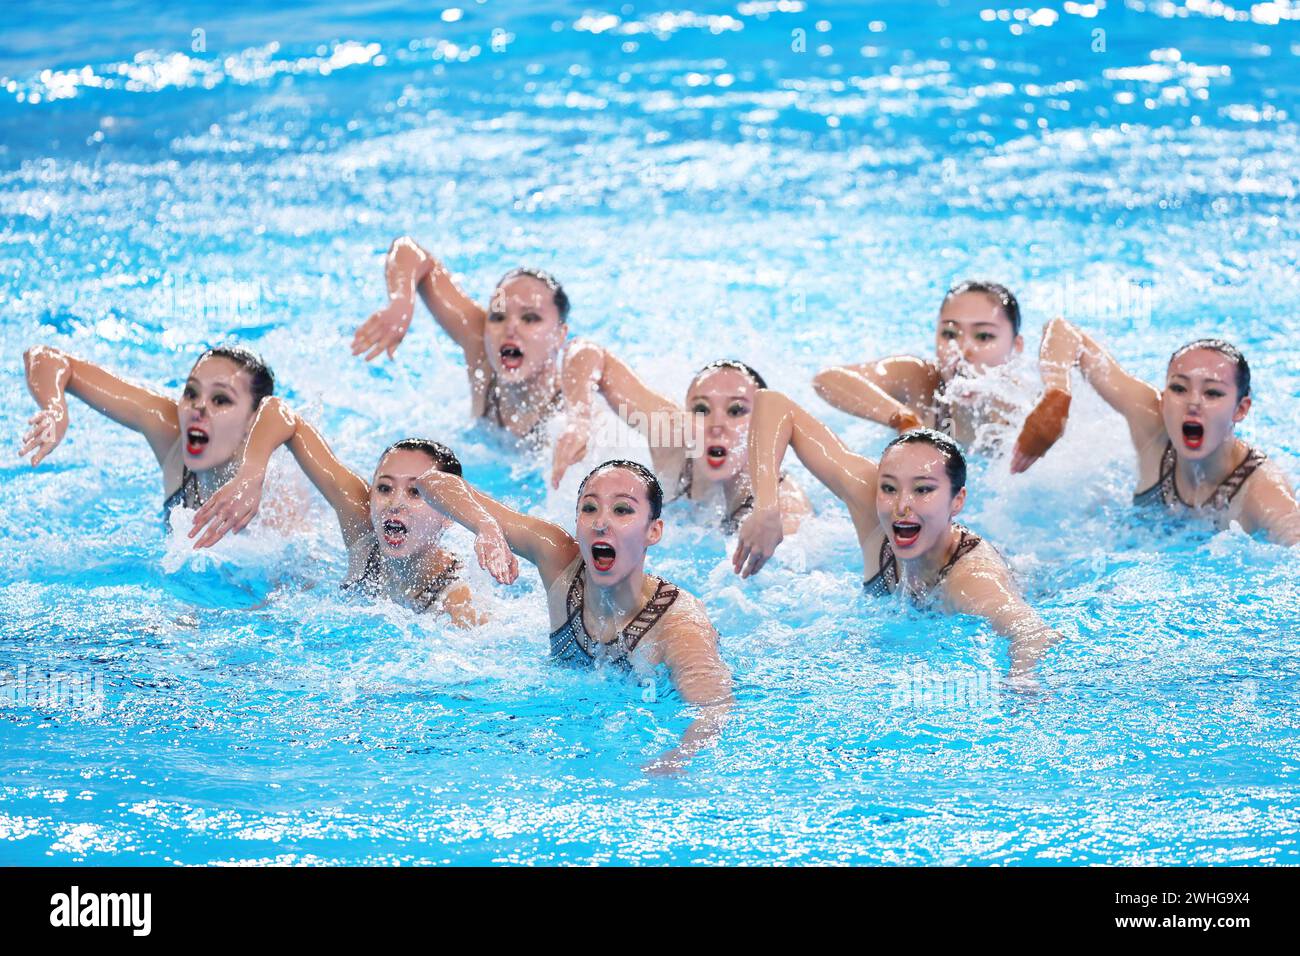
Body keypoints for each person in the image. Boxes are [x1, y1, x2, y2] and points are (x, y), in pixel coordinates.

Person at [412, 458, 733, 771]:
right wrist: (487, 525)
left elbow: (713, 709)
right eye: (590, 508)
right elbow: (432, 482)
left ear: (653, 531)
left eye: (622, 510)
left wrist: (677, 757)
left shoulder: (677, 622)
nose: (601, 521)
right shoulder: (559, 560)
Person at [733, 390, 1061, 681]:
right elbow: (773, 404)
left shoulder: (972, 581)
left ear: (957, 500)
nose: (902, 505)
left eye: (923, 490)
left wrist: (1022, 679)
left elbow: (1035, 632)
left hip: (1040, 582)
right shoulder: (872, 504)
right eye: (889, 487)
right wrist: (766, 507)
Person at [188, 400, 488, 625]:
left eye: (416, 492)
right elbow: (283, 414)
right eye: (384, 488)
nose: (394, 503)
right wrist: (250, 474)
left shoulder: (457, 597)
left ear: (449, 514)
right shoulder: (363, 524)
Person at [1011, 325, 1300, 545]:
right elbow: (1064, 331)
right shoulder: (1153, 423)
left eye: (1212, 393)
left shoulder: (1259, 490)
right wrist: (1057, 395)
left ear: (1241, 409)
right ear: (1163, 398)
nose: (1193, 403)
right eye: (1179, 388)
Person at [349, 237, 615, 473]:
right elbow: (408, 250)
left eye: (530, 318)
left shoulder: (569, 405)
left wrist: (580, 420)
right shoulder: (482, 349)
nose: (510, 328)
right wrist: (400, 302)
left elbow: (591, 356)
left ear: (559, 335)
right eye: (498, 316)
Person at [20, 344, 283, 523]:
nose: (198, 407)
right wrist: (55, 408)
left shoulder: (276, 499)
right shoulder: (172, 433)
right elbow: (47, 357)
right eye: (191, 393)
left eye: (221, 400)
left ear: (253, 419)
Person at [551, 355, 812, 533]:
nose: (715, 424)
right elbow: (590, 353)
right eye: (701, 409)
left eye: (735, 411)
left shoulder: (785, 509)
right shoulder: (675, 441)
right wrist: (579, 419)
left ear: (763, 426)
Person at [812, 280, 1025, 446]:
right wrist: (903, 418)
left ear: (1016, 347)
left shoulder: (1027, 411)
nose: (962, 350)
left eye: (984, 336)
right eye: (950, 334)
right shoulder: (921, 381)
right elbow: (827, 380)